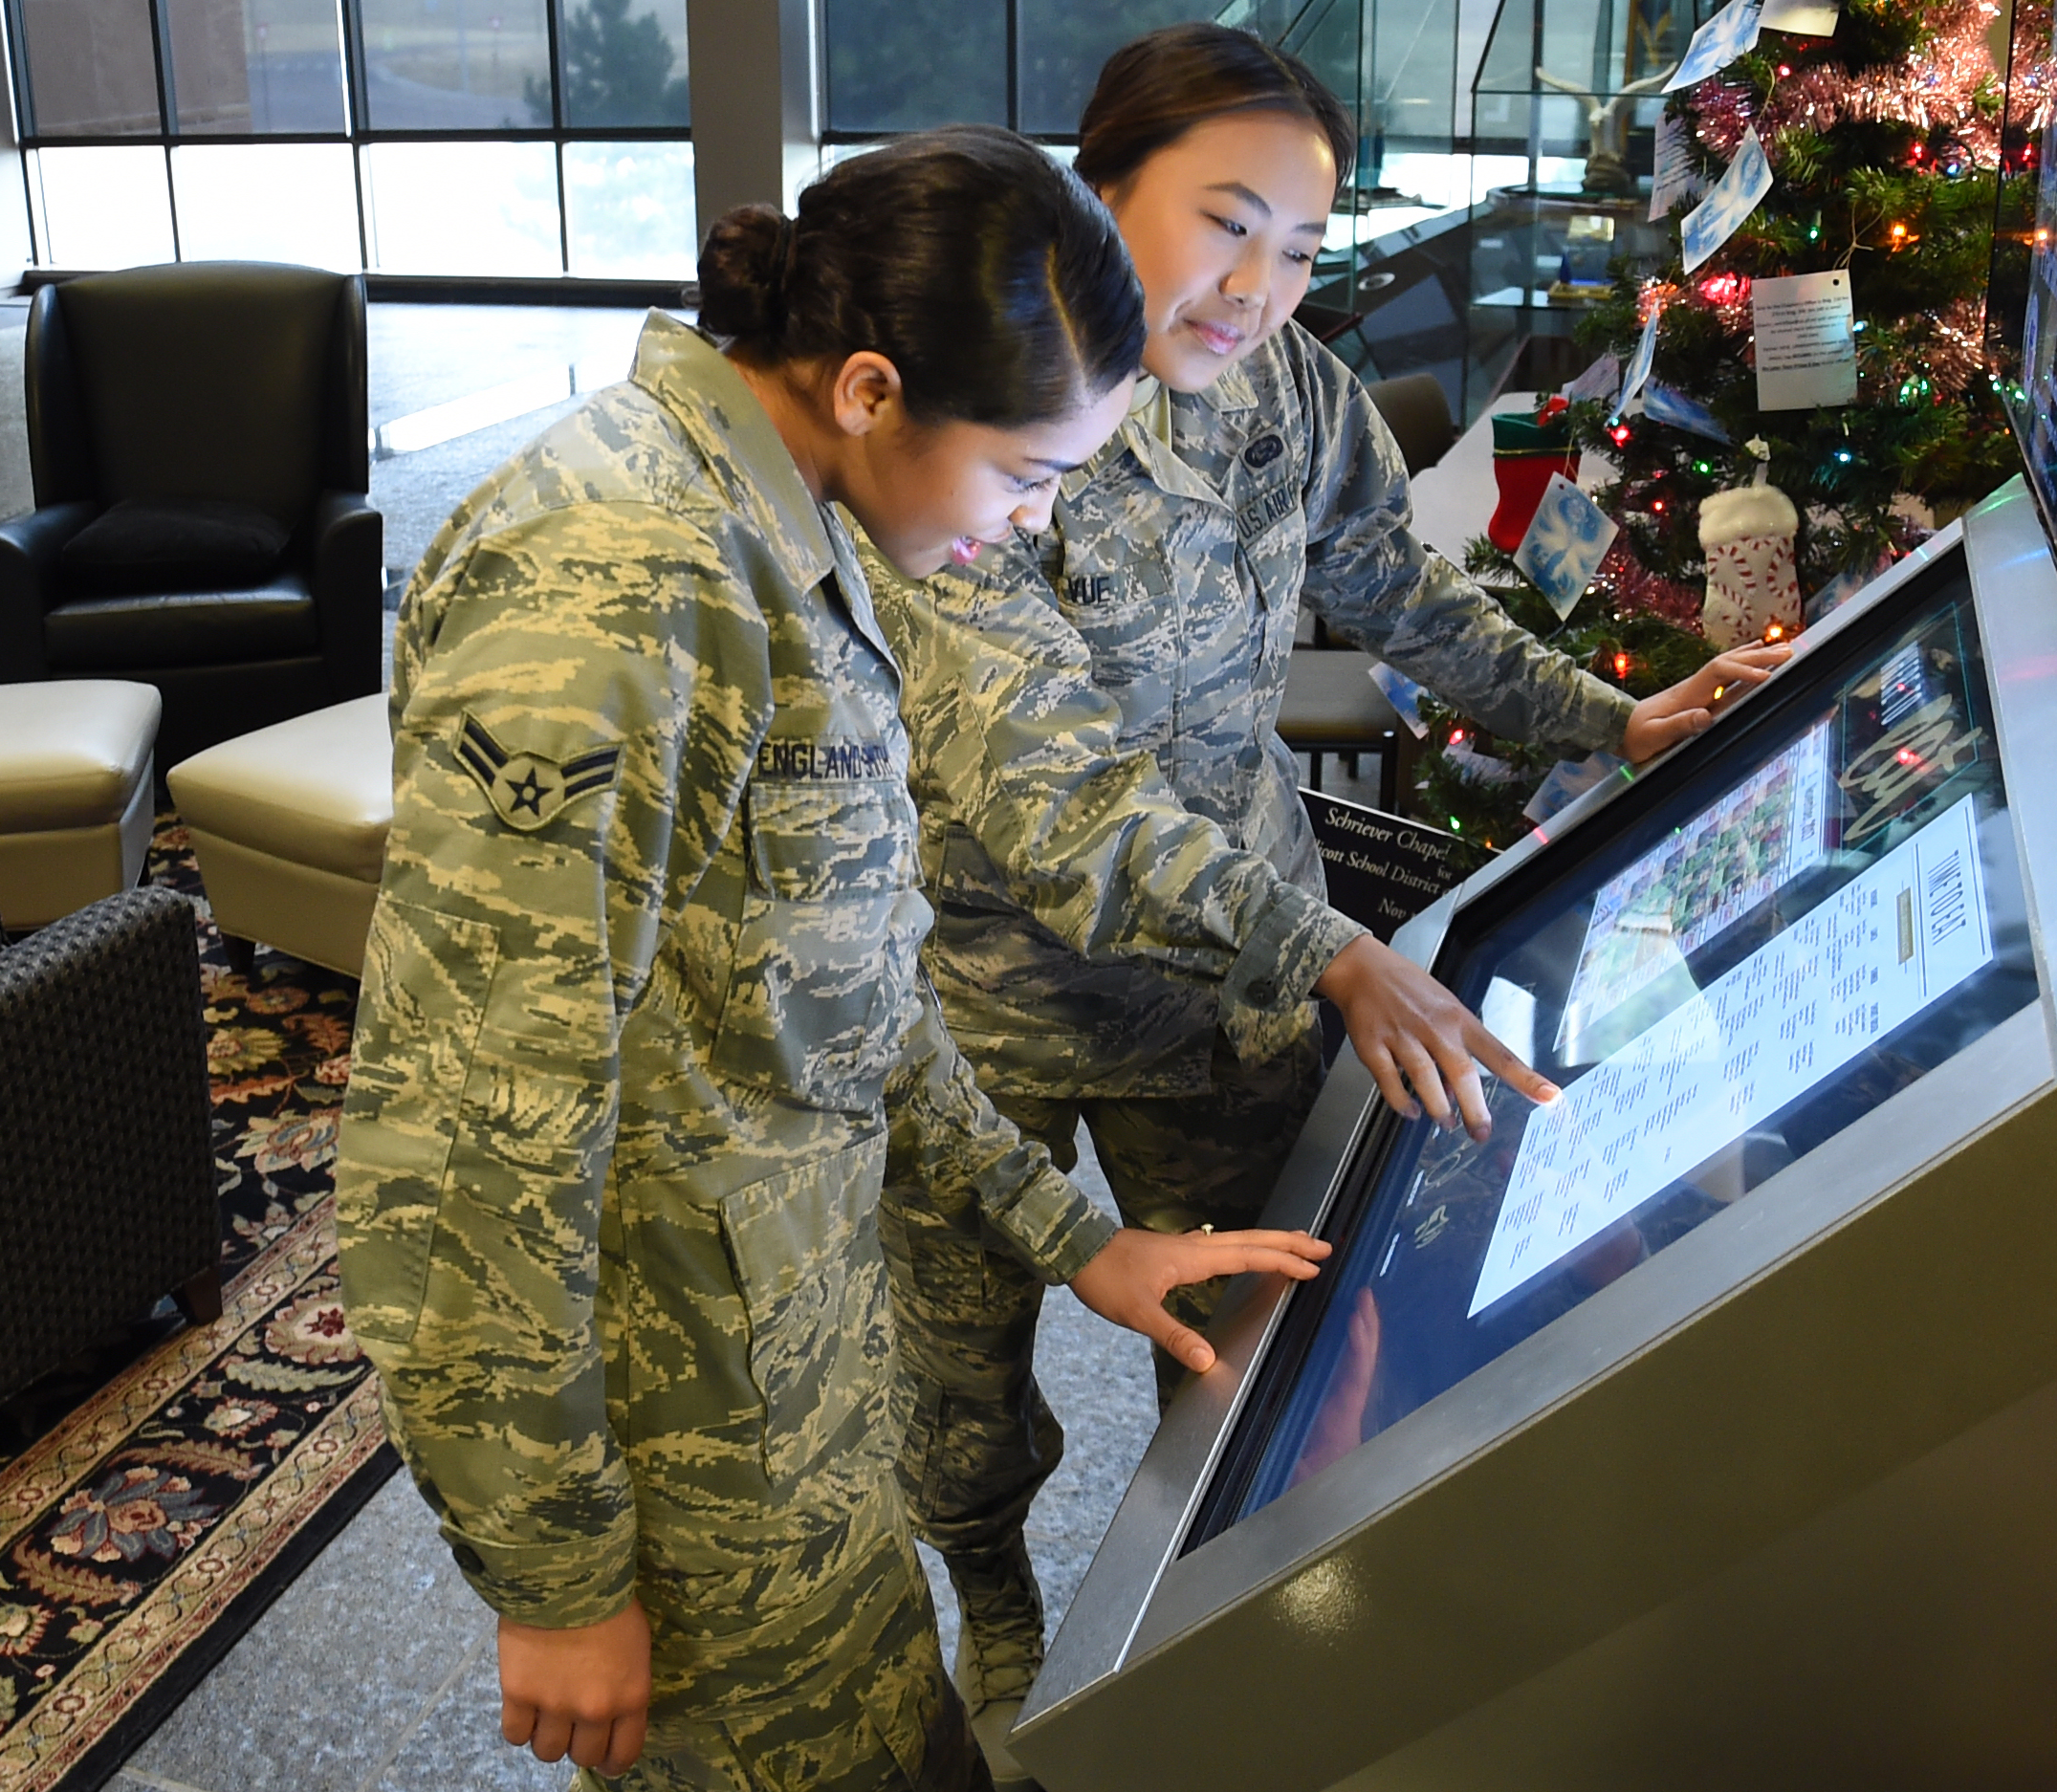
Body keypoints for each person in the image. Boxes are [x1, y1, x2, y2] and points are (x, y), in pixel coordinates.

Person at [332, 125, 1328, 1792]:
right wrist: (561, 1578)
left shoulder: (794, 530)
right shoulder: (613, 587)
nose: (1029, 528)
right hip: (682, 1447)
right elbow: (461, 1141)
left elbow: (852, 986)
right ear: (872, 387)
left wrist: (1075, 1238)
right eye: (1026, 475)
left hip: (804, 1372)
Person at [859, 23, 1787, 1781]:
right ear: (1097, 186)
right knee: (954, 1375)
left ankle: (1196, 1644)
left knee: (1246, 1354)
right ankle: (995, 1607)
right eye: (1222, 223)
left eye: (1300, 244)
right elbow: (1057, 796)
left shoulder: (1288, 393)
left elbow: (1399, 591)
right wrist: (1339, 950)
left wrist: (1606, 713)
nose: (1258, 286)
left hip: (1225, 988)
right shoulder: (994, 399)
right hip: (975, 984)